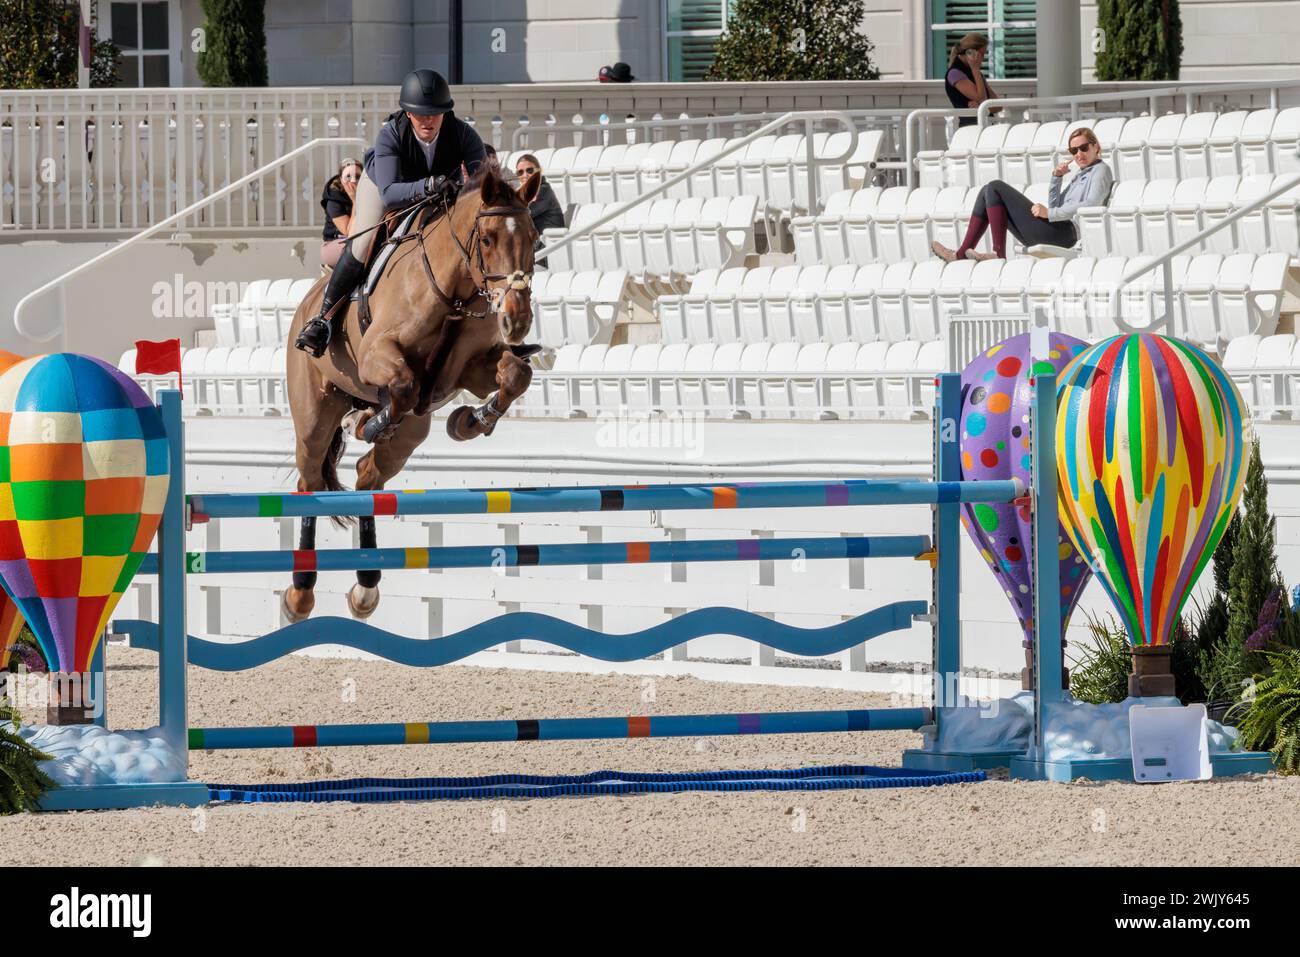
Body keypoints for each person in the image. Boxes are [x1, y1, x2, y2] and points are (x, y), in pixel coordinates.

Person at [295, 68, 487, 357]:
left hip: (437, 192)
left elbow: (482, 184)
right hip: (385, 188)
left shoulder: (464, 135)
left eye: (435, 113)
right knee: (364, 241)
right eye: (421, 113)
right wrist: (429, 184)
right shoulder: (391, 135)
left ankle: (497, 331)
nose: (428, 120)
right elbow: (391, 193)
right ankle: (323, 319)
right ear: (408, 113)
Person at [931, 126, 1114, 262]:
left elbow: (1092, 205)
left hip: (1066, 234)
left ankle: (995, 253)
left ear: (1095, 146)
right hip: (1057, 228)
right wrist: (1056, 178)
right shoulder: (1080, 174)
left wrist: (1049, 214)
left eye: (1083, 148)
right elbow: (1057, 205)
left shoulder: (1101, 170)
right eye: (1074, 150)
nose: (1079, 154)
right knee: (987, 191)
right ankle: (962, 253)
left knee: (995, 187)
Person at [515, 153, 564, 268]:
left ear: (539, 171)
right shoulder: (523, 193)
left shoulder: (543, 191)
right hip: (534, 250)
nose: (525, 175)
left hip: (549, 253)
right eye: (520, 172)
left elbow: (519, 215)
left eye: (530, 170)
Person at [944, 33, 998, 127]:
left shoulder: (977, 74)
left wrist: (982, 104)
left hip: (986, 125)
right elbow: (981, 98)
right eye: (982, 54)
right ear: (970, 52)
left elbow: (997, 105)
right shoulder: (955, 73)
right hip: (970, 127)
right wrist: (975, 69)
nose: (983, 58)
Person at [319, 158, 361, 268]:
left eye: (358, 176)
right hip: (335, 242)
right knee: (354, 249)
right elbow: (349, 232)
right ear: (341, 179)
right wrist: (355, 200)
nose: (353, 181)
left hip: (358, 240)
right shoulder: (334, 199)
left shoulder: (367, 192)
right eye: (348, 176)